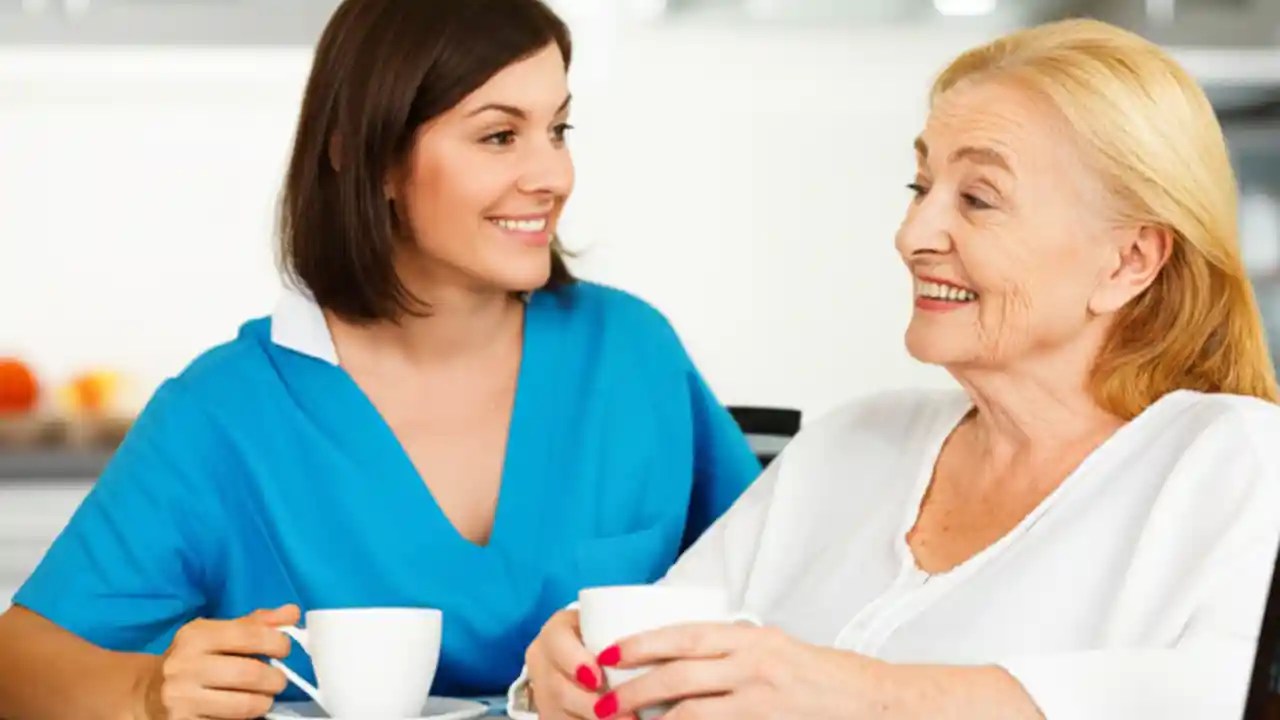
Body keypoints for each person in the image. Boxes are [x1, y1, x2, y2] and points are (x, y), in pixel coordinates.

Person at [0, 0, 761, 718]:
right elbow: (18, 663)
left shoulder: (631, 355)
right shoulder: (229, 412)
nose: (553, 176)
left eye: (557, 130)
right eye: (500, 136)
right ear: (369, 158)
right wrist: (147, 692)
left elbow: (798, 593)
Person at [521, 18, 1280, 720]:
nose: (914, 233)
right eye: (921, 187)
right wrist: (568, 668)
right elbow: (668, 654)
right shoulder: (851, 444)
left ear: (1128, 260)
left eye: (978, 199)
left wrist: (868, 696)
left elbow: (1222, 692)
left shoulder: (1236, 457)